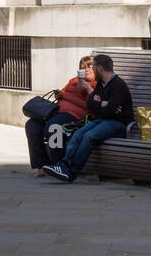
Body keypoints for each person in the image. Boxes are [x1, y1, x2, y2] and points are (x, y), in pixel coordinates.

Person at [43, 52, 133, 183]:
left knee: (89, 136)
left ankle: (72, 172)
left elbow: (108, 111)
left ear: (100, 69)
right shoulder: (102, 84)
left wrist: (103, 106)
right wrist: (103, 103)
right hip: (104, 120)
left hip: (119, 124)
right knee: (78, 134)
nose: (90, 70)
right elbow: (91, 104)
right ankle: (63, 165)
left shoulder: (118, 85)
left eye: (93, 67)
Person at [25, 55, 96, 175]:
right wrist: (59, 94)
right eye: (83, 68)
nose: (86, 70)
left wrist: (67, 96)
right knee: (32, 125)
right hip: (56, 111)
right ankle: (41, 165)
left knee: (53, 128)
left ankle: (58, 165)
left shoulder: (95, 85)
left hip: (75, 116)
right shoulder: (74, 80)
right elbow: (63, 92)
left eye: (90, 67)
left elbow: (89, 106)